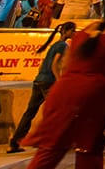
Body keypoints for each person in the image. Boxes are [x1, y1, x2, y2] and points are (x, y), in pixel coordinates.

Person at [16, 0, 105, 169]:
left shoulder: (84, 32)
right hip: (94, 95)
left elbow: (66, 63)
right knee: (90, 149)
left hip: (64, 91)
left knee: (51, 148)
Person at [8, 22, 76, 153]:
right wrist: (58, 82)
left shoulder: (54, 45)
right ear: (66, 31)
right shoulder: (63, 46)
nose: (74, 34)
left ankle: (15, 142)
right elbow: (55, 64)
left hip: (39, 80)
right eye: (73, 31)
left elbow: (44, 64)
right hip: (49, 81)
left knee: (30, 112)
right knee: (57, 111)